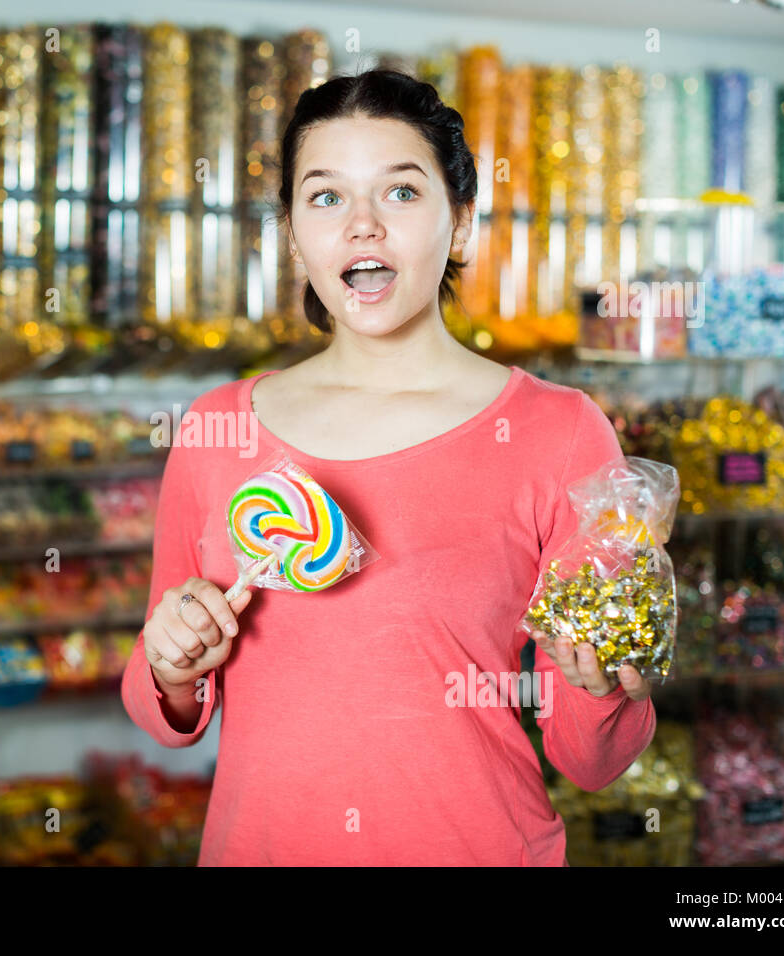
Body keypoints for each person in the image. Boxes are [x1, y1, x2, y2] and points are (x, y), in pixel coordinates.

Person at [120, 69, 656, 865]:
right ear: (295, 234)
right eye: (327, 197)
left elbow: (594, 760)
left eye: (401, 194)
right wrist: (171, 665)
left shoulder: (560, 432)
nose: (362, 226)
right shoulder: (217, 427)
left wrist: (601, 680)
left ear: (462, 224)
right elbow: (160, 701)